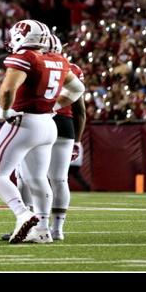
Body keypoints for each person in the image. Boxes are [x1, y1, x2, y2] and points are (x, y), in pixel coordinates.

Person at [0, 20, 81, 243]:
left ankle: (23, 214)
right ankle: (42, 229)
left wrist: (4, 111)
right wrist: (55, 106)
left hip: (24, 121)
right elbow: (78, 89)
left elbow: (8, 88)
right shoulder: (58, 59)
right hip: (48, 124)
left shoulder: (25, 57)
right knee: (37, 179)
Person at [45, 34, 86, 240]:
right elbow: (80, 111)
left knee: (29, 178)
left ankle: (31, 224)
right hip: (65, 125)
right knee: (60, 179)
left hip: (40, 121)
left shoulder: (32, 62)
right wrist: (77, 140)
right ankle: (57, 229)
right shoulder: (72, 69)